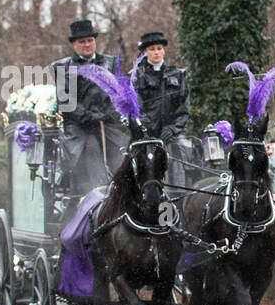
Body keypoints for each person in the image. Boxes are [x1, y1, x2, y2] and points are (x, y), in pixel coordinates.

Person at [50, 19, 129, 194]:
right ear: (73, 44)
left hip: (106, 123)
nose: (87, 45)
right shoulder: (62, 68)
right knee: (90, 151)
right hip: (79, 128)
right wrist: (87, 116)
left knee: (124, 151)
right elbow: (66, 100)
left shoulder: (109, 63)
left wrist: (105, 114)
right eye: (82, 42)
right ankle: (97, 195)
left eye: (90, 40)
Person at [132, 31, 192, 184]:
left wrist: (173, 128)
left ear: (164, 50)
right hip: (147, 134)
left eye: (159, 48)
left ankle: (181, 192)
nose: (156, 52)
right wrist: (148, 129)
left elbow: (184, 108)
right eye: (152, 49)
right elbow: (136, 108)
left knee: (186, 150)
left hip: (172, 132)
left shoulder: (178, 75)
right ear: (145, 52)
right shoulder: (137, 76)